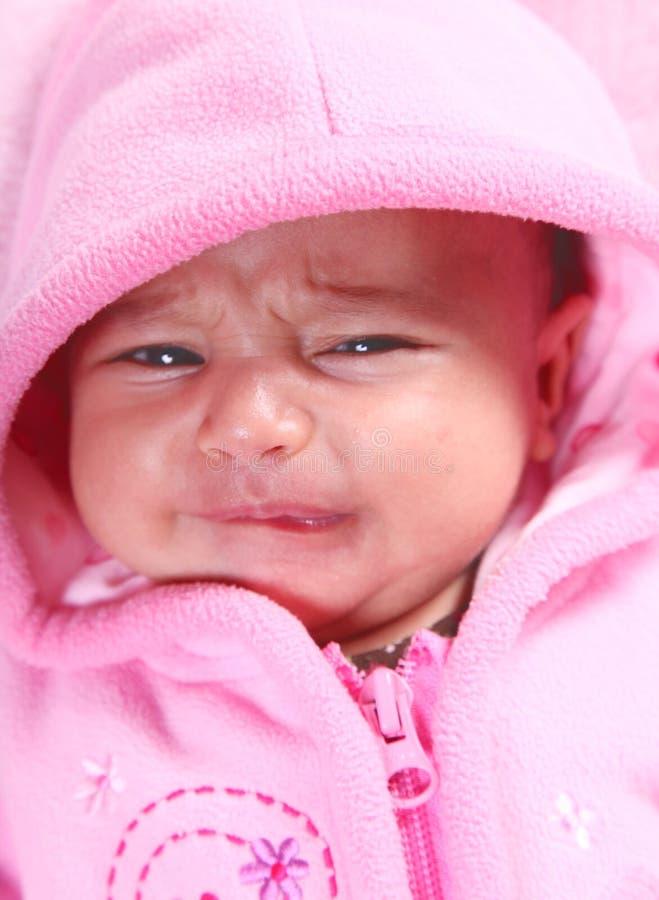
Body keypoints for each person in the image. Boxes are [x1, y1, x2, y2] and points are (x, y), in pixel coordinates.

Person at [0, 1, 658, 898]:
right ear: (58, 389)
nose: (246, 423)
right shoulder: (27, 701)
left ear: (544, 382)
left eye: (359, 345)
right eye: (160, 355)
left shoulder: (637, 633)